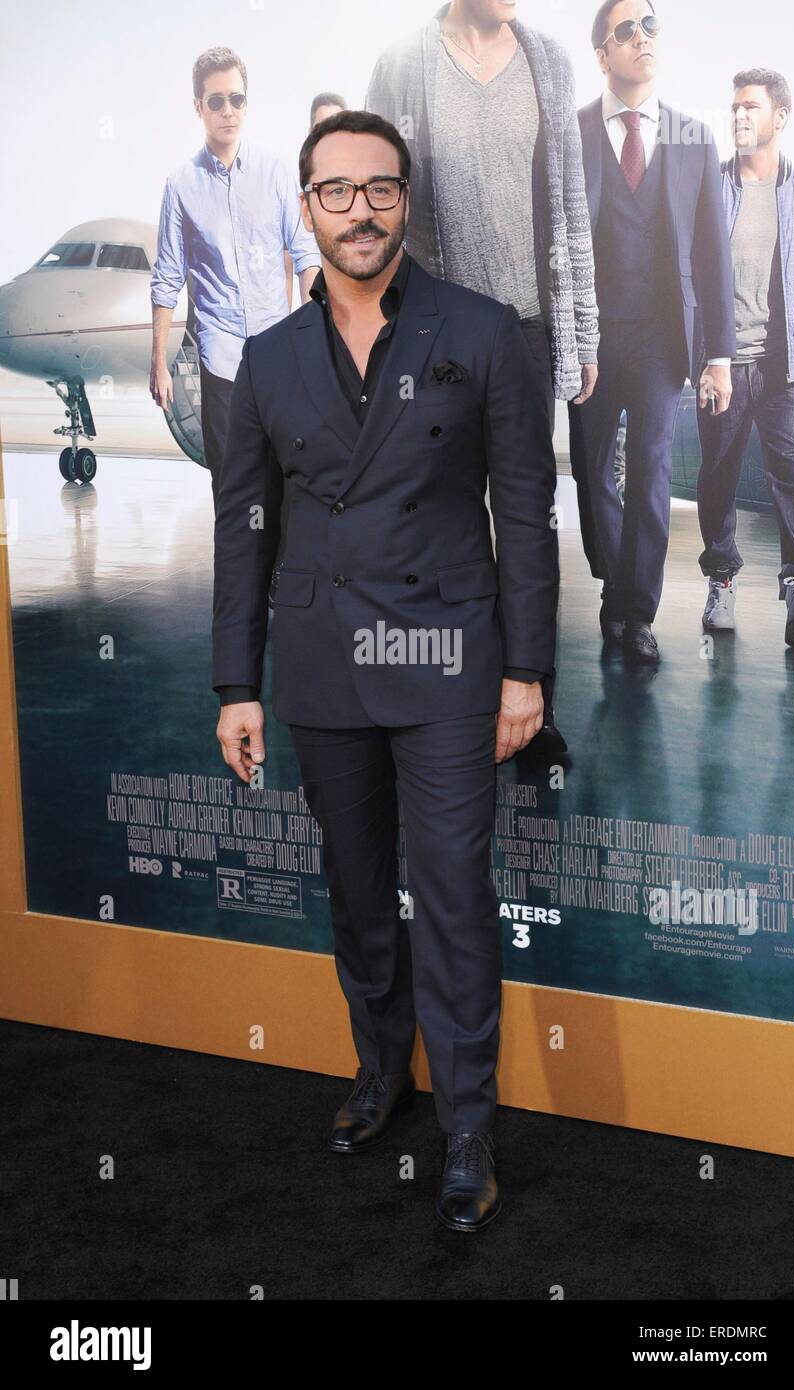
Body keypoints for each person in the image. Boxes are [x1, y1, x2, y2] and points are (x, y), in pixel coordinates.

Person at [212, 110, 560, 1232]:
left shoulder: (484, 329)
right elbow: (242, 531)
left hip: (449, 656)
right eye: (335, 191)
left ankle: (466, 1125)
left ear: (404, 199)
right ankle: (380, 1070)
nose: (358, 210)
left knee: (453, 895)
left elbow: (526, 510)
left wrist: (525, 671)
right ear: (306, 206)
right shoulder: (265, 360)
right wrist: (237, 682)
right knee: (360, 894)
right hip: (322, 665)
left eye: (379, 188)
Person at [365, 0, 601, 761]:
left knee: (527, 521)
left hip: (527, 331)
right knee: (433, 520)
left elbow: (569, 208)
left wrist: (582, 329)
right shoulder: (403, 62)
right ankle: (441, 704)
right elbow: (376, 204)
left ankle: (532, 705)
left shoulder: (548, 61)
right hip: (432, 334)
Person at [568, 0, 736, 664]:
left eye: (649, 26)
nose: (641, 38)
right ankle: (617, 579)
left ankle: (635, 613)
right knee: (588, 473)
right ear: (601, 54)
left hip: (663, 339)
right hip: (589, 339)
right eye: (625, 31)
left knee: (651, 469)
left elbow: (710, 256)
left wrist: (717, 355)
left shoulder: (693, 137)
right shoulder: (571, 132)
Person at [149, 47, 321, 506]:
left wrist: (318, 333)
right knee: (231, 490)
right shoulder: (181, 185)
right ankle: (239, 580)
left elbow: (306, 254)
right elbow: (167, 277)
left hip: (276, 357)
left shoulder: (276, 172)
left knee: (287, 486)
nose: (229, 111)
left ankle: (281, 579)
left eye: (237, 100)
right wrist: (158, 362)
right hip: (220, 360)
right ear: (198, 108)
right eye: (216, 101)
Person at [695, 69, 794, 649]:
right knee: (717, 475)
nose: (739, 116)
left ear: (780, 117)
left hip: (788, 367)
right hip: (724, 362)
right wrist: (704, 356)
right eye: (734, 106)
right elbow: (689, 277)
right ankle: (721, 579)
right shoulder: (711, 190)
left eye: (751, 107)